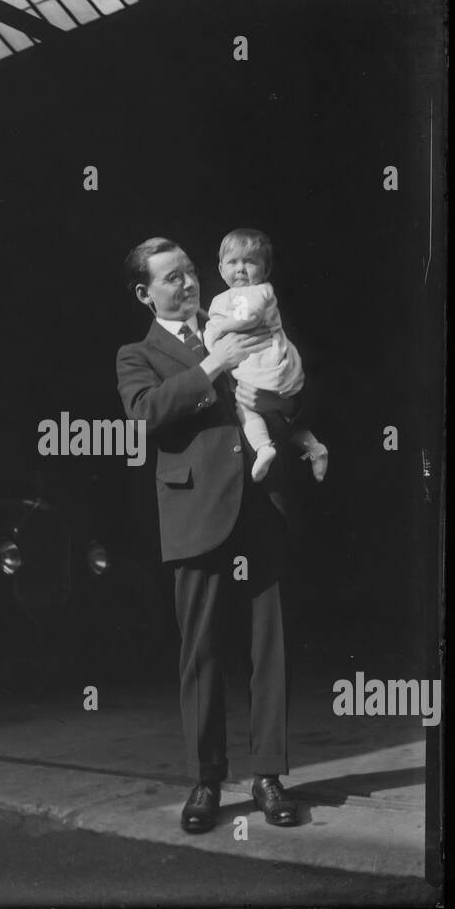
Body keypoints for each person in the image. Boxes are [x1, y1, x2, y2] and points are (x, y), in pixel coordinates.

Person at [116, 236, 302, 833]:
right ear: (146, 294)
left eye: (191, 272)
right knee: (201, 651)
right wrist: (210, 367)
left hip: (257, 503)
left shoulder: (235, 315)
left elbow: (286, 391)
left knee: (268, 646)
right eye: (172, 278)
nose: (188, 283)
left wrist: (282, 405)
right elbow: (144, 415)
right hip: (194, 513)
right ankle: (206, 779)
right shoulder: (135, 354)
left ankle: (269, 775)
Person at [205, 228, 329, 484]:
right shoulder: (220, 299)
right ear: (220, 269)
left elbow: (246, 318)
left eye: (249, 261)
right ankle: (307, 446)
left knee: (251, 404)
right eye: (233, 262)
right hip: (250, 362)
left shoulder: (260, 292)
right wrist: (213, 337)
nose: (240, 269)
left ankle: (267, 447)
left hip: (269, 360)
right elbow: (213, 334)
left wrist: (218, 329)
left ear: (265, 269)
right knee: (255, 408)